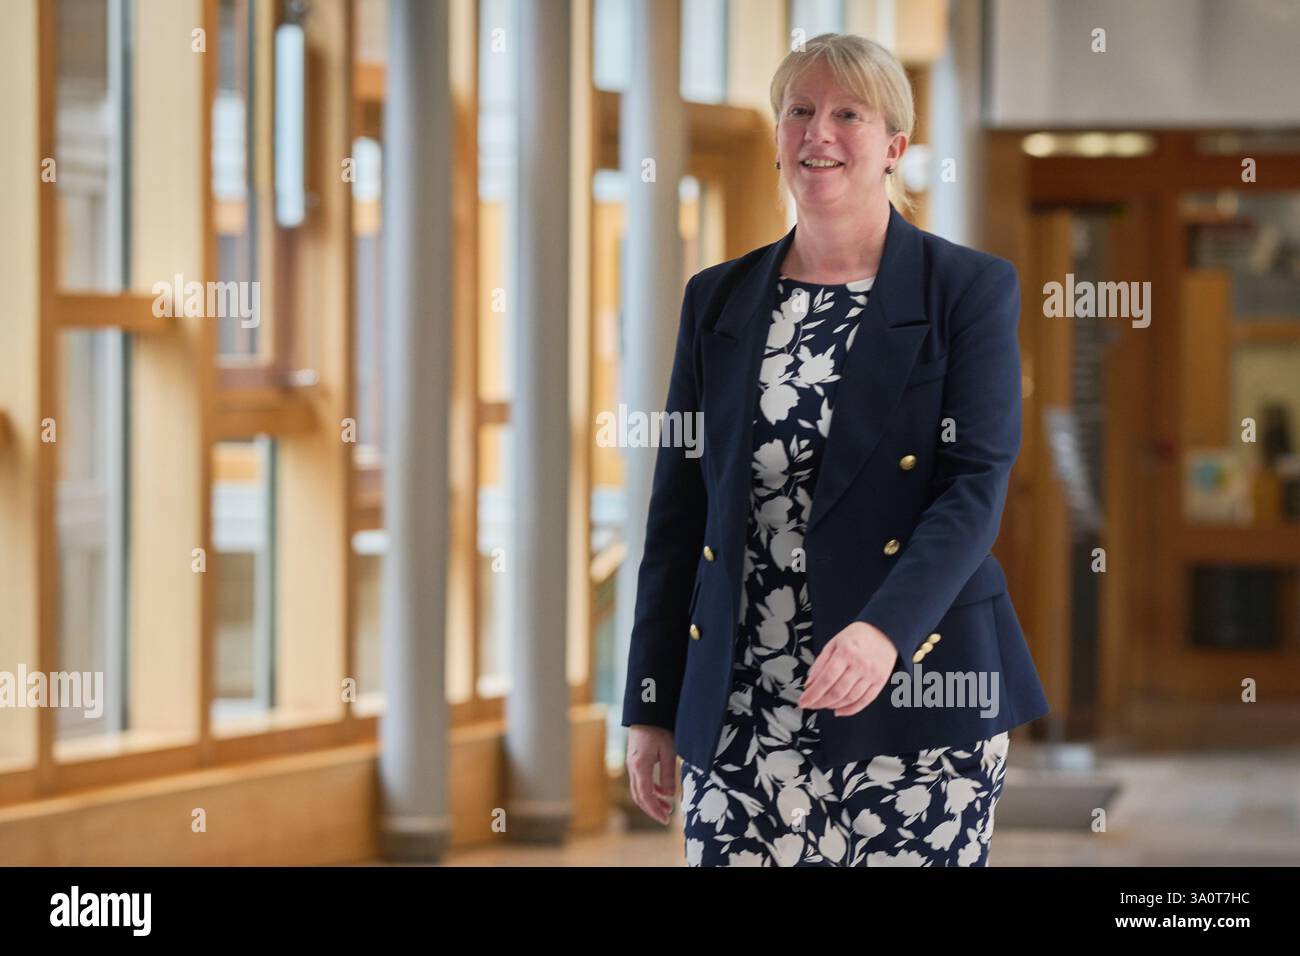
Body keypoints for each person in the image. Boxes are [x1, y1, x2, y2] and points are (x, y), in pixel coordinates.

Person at [621, 33, 1050, 866]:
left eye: (847, 114)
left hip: (913, 690)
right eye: (799, 111)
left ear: (894, 146)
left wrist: (882, 632)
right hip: (742, 705)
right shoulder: (718, 298)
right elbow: (678, 512)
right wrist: (650, 702)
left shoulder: (967, 289)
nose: (819, 133)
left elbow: (973, 487)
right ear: (779, 135)